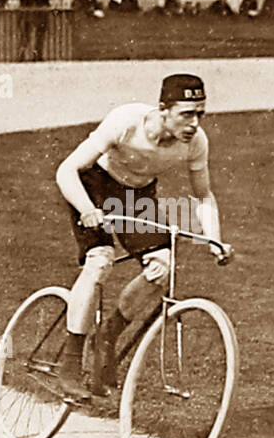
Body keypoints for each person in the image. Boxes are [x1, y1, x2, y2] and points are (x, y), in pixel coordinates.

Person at [50, 73, 232, 402]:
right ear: (163, 109)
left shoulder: (196, 143)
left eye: (200, 114)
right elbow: (67, 170)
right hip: (93, 185)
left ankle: (108, 335)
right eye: (186, 113)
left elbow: (203, 196)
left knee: (162, 268)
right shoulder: (126, 121)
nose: (194, 123)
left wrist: (214, 240)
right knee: (100, 260)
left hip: (136, 196)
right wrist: (87, 209)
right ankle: (71, 362)